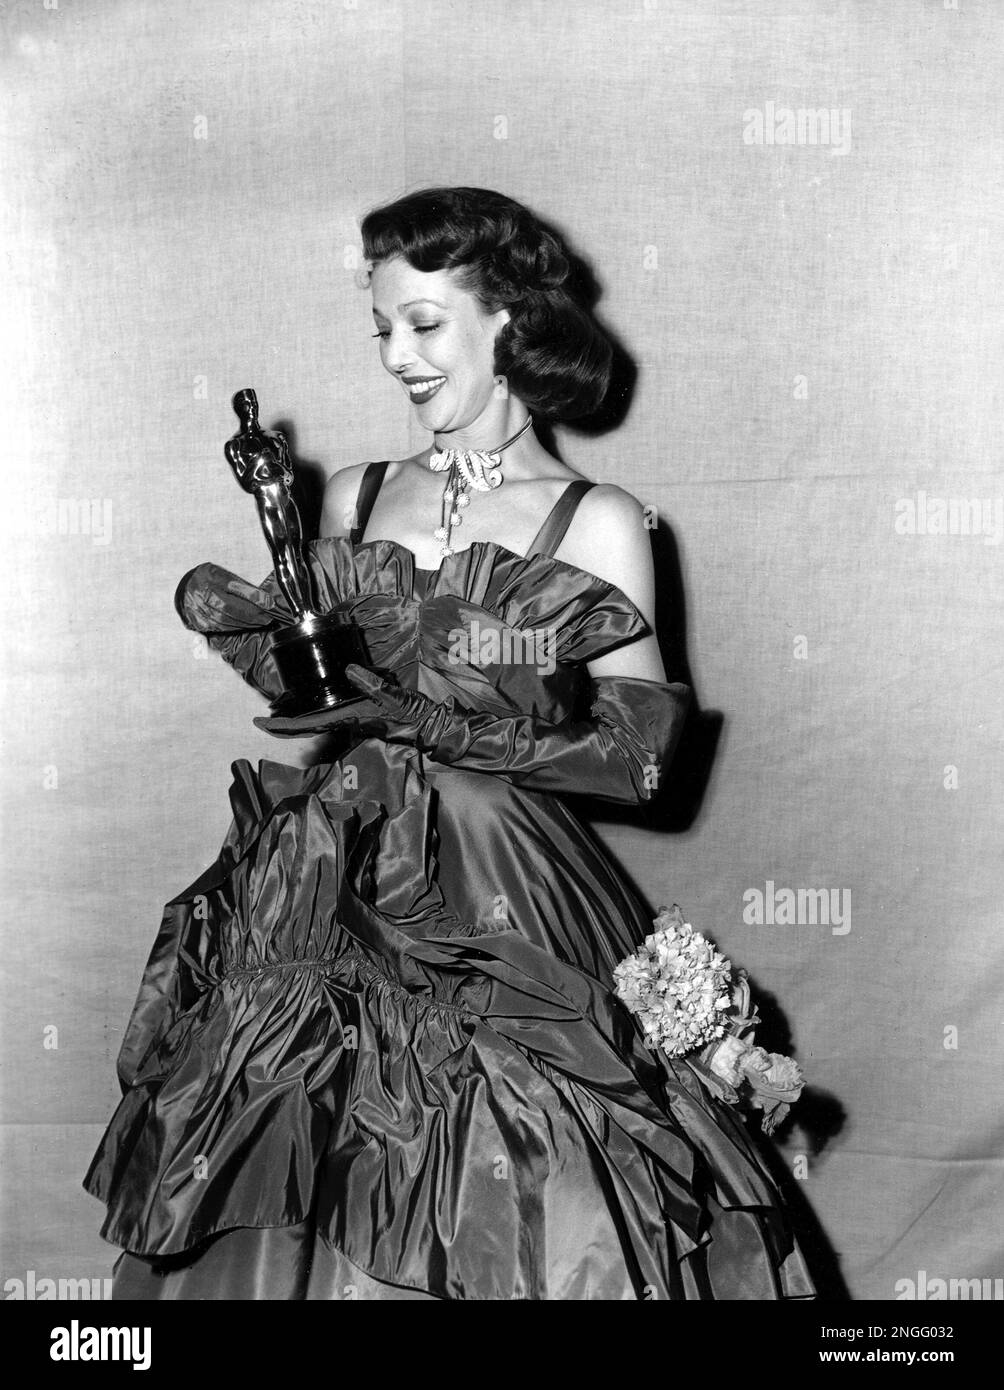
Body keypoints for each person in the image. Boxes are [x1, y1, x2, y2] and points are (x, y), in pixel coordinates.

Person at [84, 186, 816, 1300]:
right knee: (300, 1156)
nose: (396, 358)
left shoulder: (597, 520)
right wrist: (284, 646)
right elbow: (327, 687)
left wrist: (437, 722)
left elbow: (641, 767)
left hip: (509, 902)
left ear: (507, 325)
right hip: (332, 882)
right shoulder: (358, 495)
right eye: (381, 328)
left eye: (423, 325)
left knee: (541, 1196)